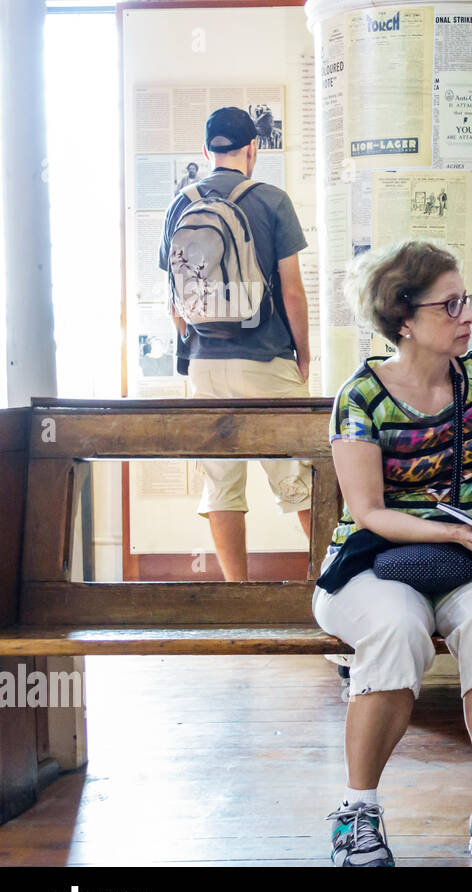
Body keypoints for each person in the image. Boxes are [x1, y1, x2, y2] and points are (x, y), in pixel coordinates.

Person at [313, 240, 472, 866]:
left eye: (466, 299)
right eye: (452, 304)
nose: (468, 313)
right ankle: (357, 813)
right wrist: (452, 534)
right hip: (369, 561)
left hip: (457, 558)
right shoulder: (360, 397)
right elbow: (369, 513)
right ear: (405, 318)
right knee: (395, 626)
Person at [159, 107, 313, 582]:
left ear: (207, 151)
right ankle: (337, 587)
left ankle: (237, 595)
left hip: (204, 365)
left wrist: (191, 347)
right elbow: (292, 289)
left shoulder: (180, 204)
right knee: (299, 480)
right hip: (265, 360)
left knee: (221, 483)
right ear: (253, 149)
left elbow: (174, 302)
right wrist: (303, 352)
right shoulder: (271, 200)